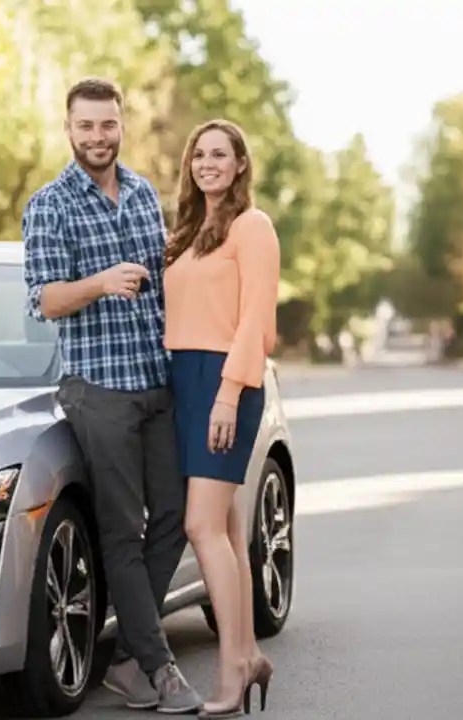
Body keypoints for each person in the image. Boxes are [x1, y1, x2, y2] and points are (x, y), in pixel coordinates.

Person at [22, 77, 203, 714]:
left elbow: (164, 290)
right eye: (85, 127)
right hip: (99, 391)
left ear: (121, 125)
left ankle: (126, 656)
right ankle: (158, 668)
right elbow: (43, 299)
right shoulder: (51, 205)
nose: (97, 137)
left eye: (107, 125)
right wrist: (98, 283)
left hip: (156, 382)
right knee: (122, 531)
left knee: (179, 517)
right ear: (68, 130)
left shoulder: (144, 192)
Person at [161, 118, 279, 718]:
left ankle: (232, 669)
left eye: (220, 154)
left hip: (224, 381)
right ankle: (251, 653)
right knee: (227, 525)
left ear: (239, 166)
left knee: (201, 526)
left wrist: (229, 393)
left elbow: (255, 317)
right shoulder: (186, 231)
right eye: (199, 154)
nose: (208, 163)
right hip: (184, 380)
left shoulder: (251, 226)